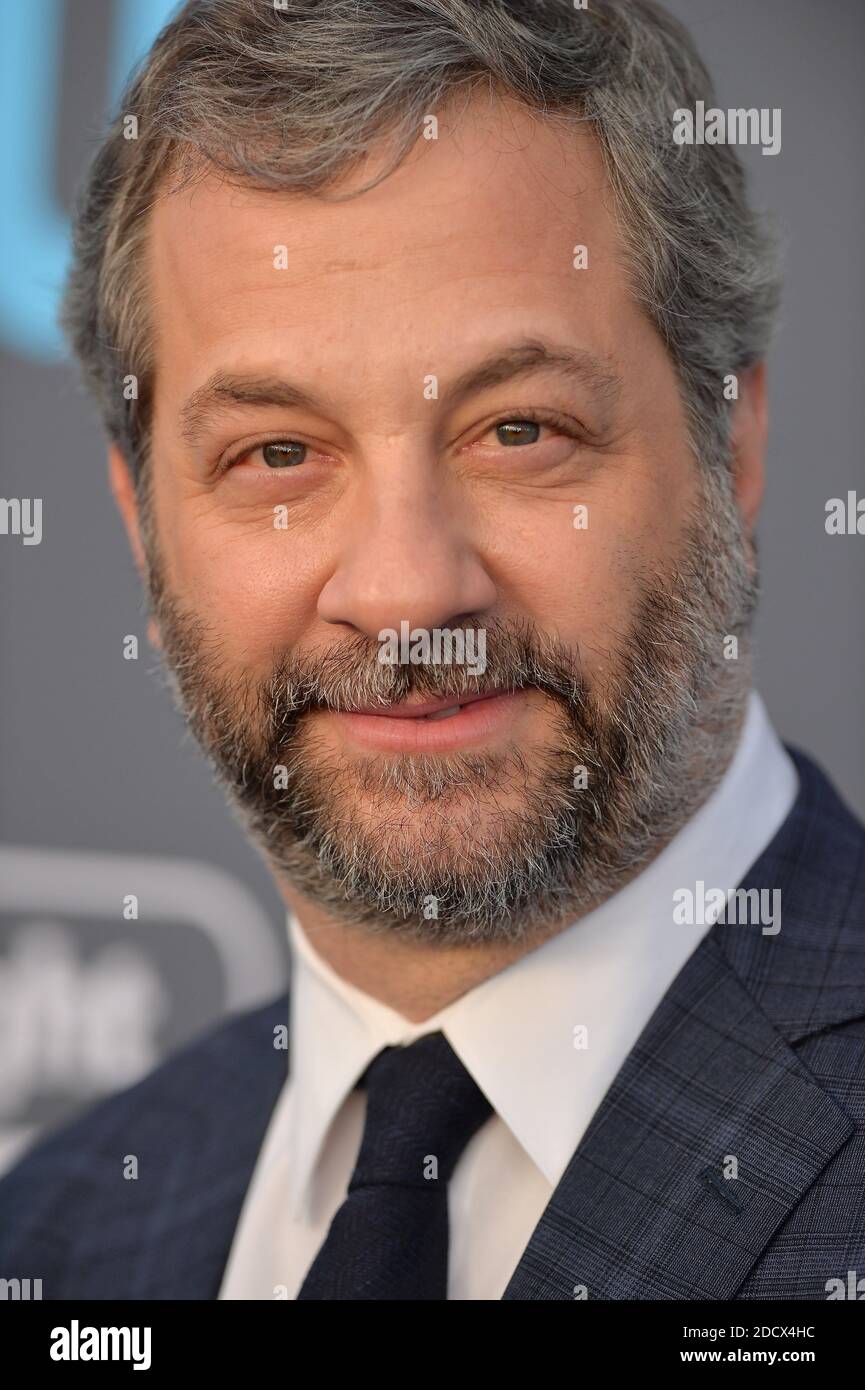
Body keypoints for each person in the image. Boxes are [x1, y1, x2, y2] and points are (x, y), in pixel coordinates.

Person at [1, 0, 862, 1301]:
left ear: (726, 444)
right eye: (276, 454)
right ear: (141, 519)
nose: (406, 589)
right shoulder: (54, 1234)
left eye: (518, 430)